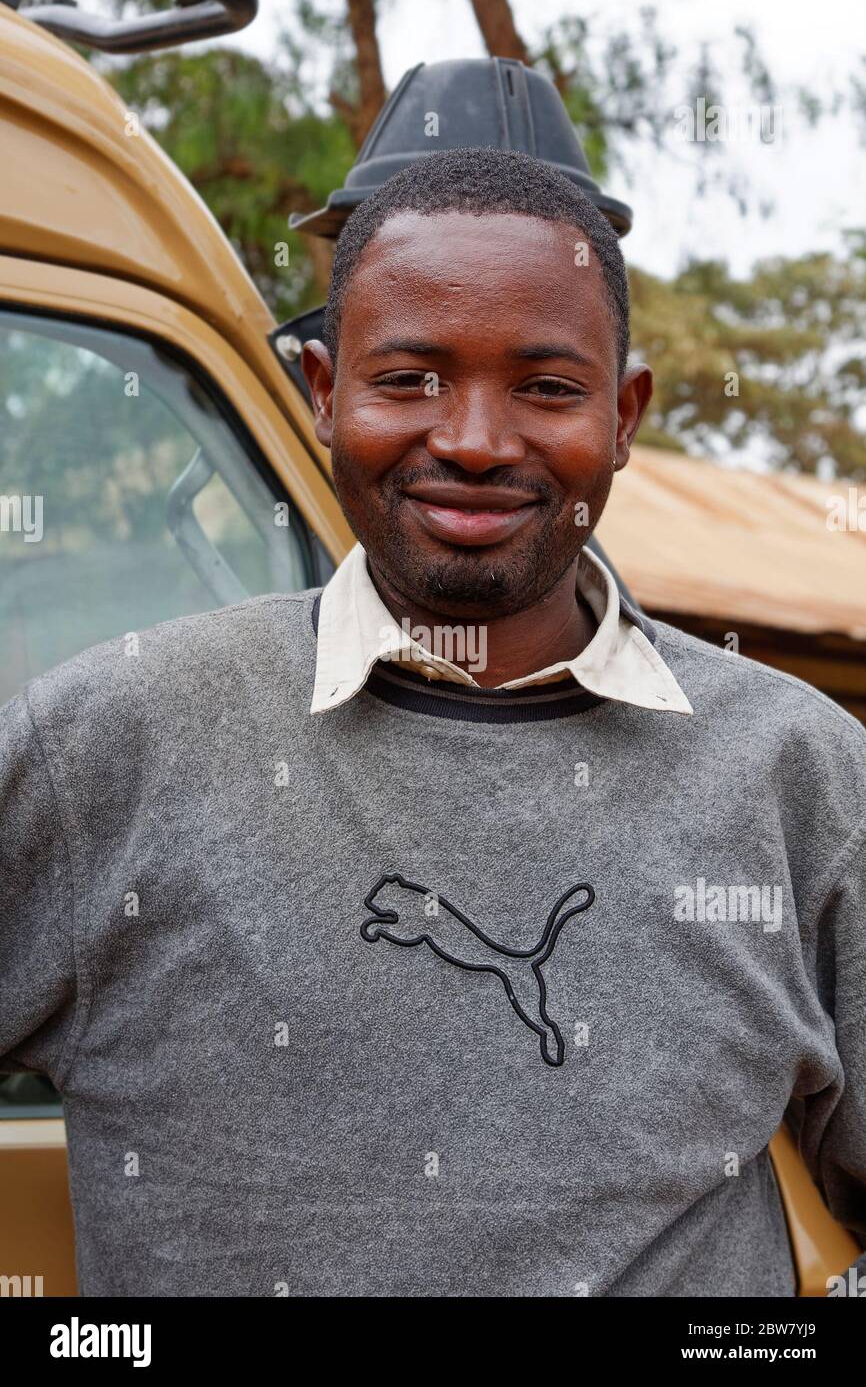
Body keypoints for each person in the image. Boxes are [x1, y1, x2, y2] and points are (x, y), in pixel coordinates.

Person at [2, 147, 864, 1297]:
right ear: (319, 391)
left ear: (623, 414)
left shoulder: (798, 772)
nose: (471, 439)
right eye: (406, 378)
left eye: (545, 388)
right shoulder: (107, 740)